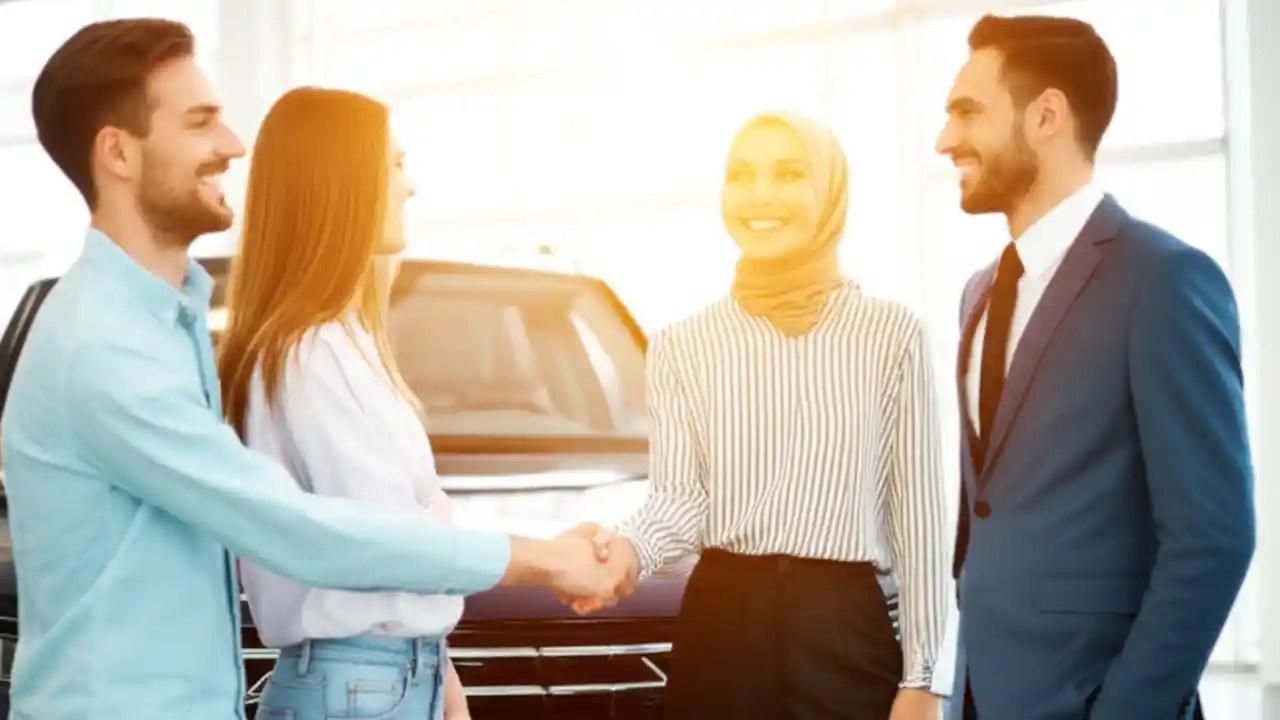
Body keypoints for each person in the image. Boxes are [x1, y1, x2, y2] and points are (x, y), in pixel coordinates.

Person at [0, 19, 621, 720]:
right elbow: (298, 530)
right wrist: (541, 559)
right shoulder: (102, 345)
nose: (233, 146)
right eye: (201, 122)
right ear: (118, 152)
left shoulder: (163, 324)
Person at [567, 112, 950, 719]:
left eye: (789, 174)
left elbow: (920, 518)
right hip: (722, 632)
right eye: (741, 176)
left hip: (846, 635)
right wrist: (621, 551)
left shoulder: (890, 335)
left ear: (827, 190)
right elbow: (679, 501)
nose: (760, 196)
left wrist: (925, 678)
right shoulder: (681, 345)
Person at [934, 14, 1254, 720]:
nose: (944, 139)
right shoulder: (978, 295)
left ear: (1046, 115)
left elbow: (1213, 538)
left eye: (966, 112)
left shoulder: (1164, 281)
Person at [216, 87, 471, 720]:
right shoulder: (304, 353)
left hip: (397, 676)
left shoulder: (345, 344)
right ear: (344, 182)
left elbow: (409, 555)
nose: (410, 188)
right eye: (396, 164)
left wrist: (446, 683)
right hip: (357, 688)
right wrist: (438, 519)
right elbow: (391, 541)